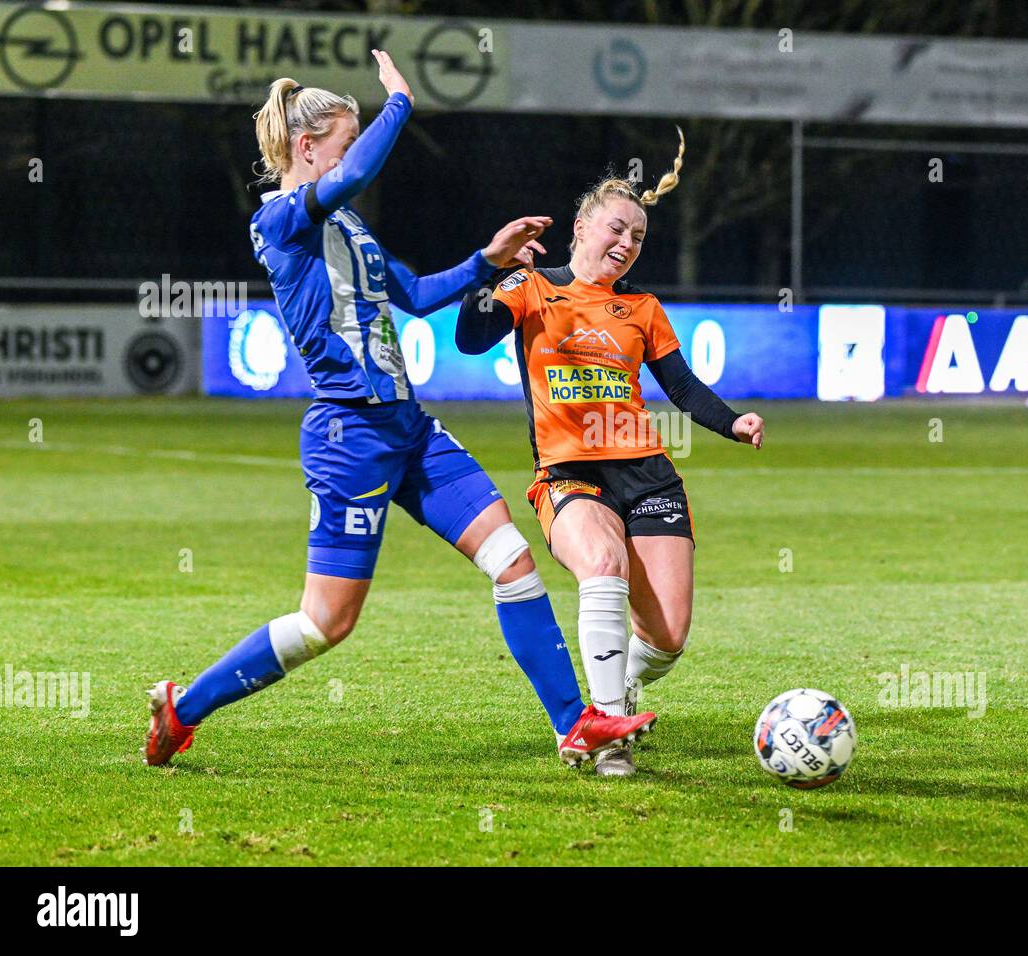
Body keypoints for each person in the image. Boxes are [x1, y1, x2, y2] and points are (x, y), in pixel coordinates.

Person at [143, 51, 655, 768]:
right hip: (348, 433)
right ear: (307, 147)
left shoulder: (347, 227)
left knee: (512, 559)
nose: (354, 155)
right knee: (326, 623)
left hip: (409, 428)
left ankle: (574, 724)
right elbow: (353, 176)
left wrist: (488, 260)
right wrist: (399, 105)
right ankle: (183, 707)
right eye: (346, 141)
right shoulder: (280, 221)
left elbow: (413, 295)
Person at [455, 129, 764, 777]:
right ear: (582, 228)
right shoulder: (530, 286)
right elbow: (471, 338)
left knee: (668, 638)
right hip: (569, 473)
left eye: (638, 237)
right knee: (602, 562)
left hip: (648, 476)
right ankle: (604, 735)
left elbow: (682, 387)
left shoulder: (642, 307)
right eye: (616, 229)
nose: (626, 243)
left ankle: (618, 690)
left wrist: (732, 422)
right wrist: (490, 265)